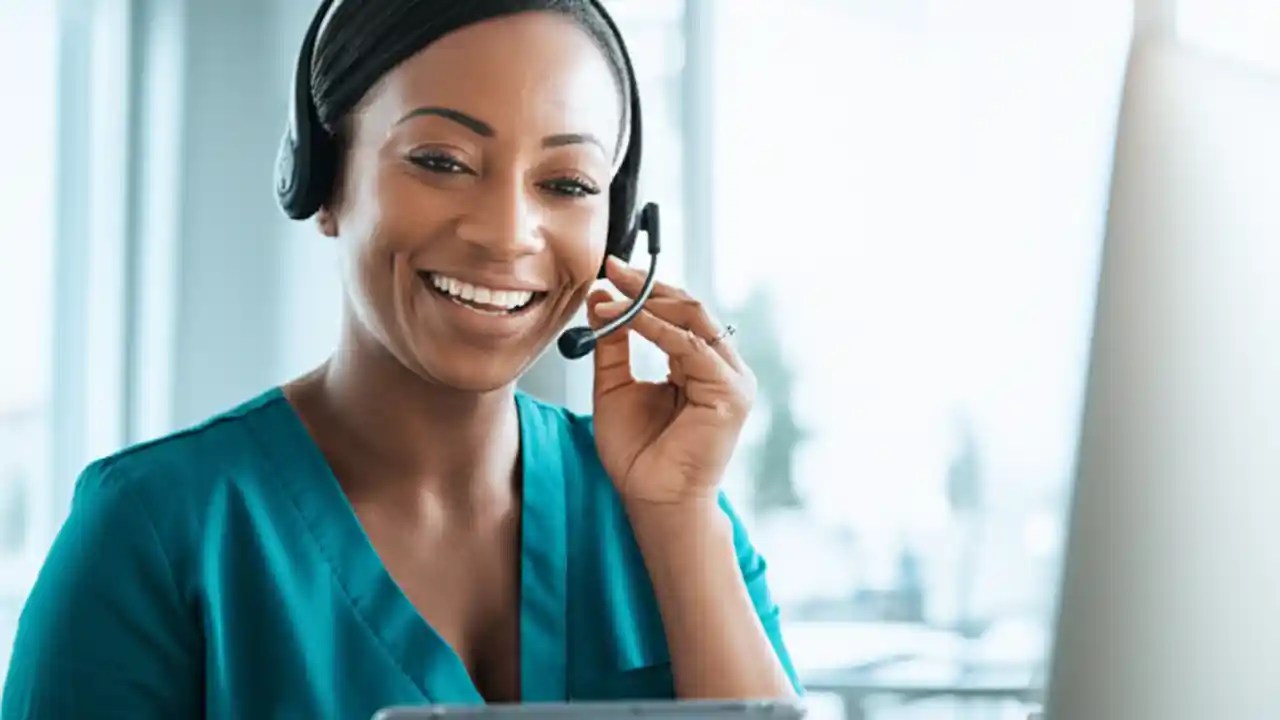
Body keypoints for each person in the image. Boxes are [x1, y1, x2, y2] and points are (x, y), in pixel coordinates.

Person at [1, 1, 801, 717]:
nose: (507, 233)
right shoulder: (153, 531)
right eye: (441, 162)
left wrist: (677, 517)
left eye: (565, 183)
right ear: (323, 179)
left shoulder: (672, 510)